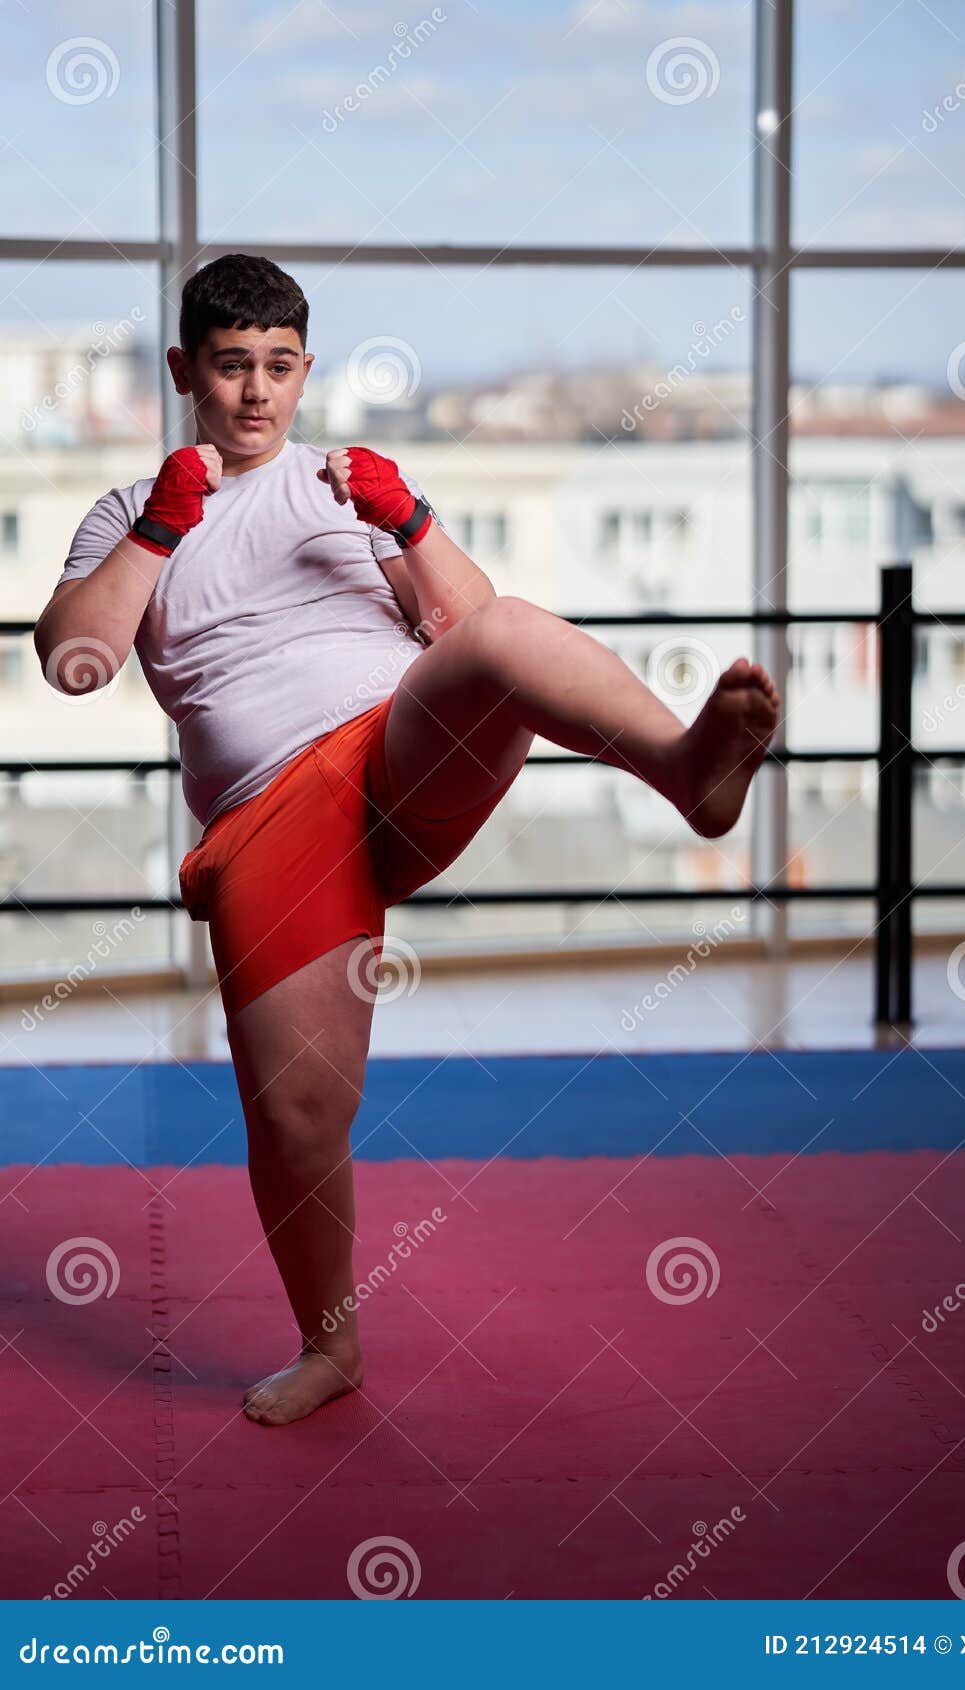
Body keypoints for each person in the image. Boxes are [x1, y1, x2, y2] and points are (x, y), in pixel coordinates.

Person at [34, 253, 781, 1427]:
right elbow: (73, 663)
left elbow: (466, 625)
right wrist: (159, 533)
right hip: (270, 818)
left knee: (506, 631)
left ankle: (684, 770)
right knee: (295, 1115)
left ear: (305, 369)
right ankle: (329, 1347)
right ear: (185, 371)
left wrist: (410, 518)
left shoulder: (342, 485)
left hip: (396, 750)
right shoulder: (128, 512)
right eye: (231, 366)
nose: (256, 392)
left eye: (278, 365)